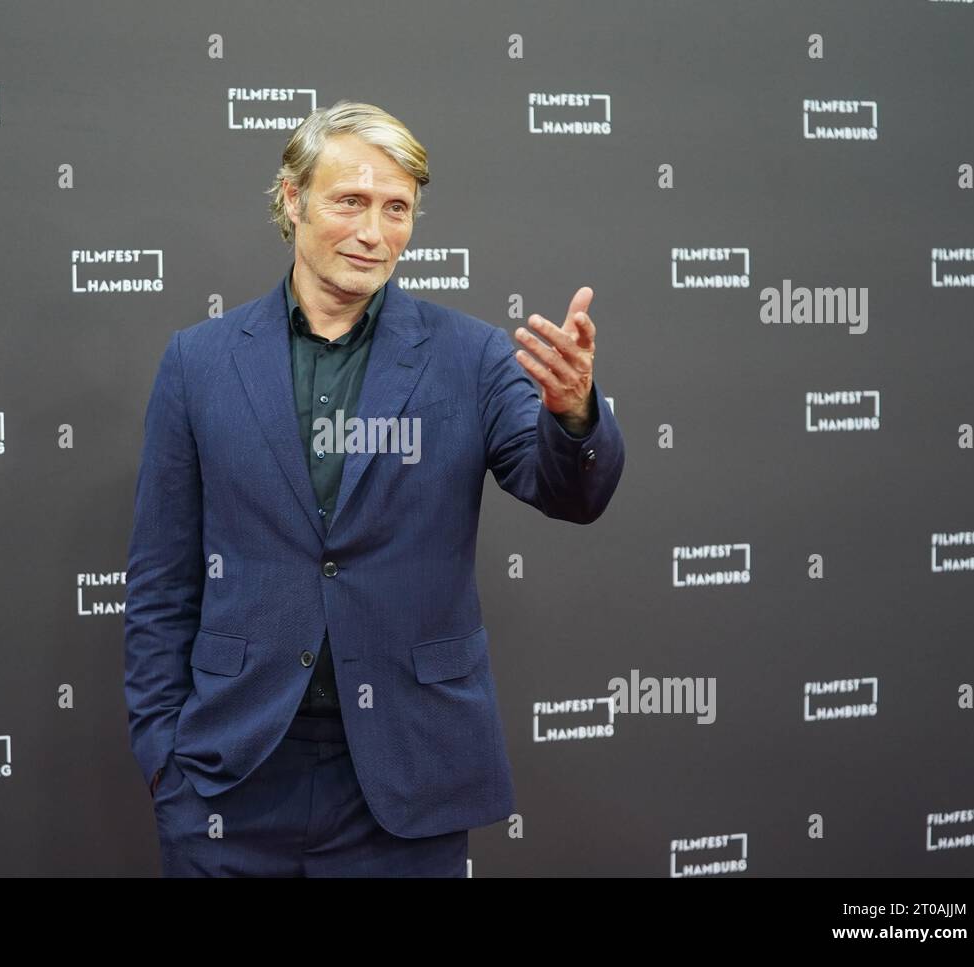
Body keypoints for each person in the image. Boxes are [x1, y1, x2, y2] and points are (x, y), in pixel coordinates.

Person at [124, 100, 624, 876]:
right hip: (233, 776)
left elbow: (569, 493)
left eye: (397, 209)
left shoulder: (471, 355)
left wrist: (575, 416)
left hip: (407, 782)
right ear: (292, 200)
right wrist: (166, 758)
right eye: (350, 201)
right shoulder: (199, 362)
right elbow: (162, 576)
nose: (374, 232)